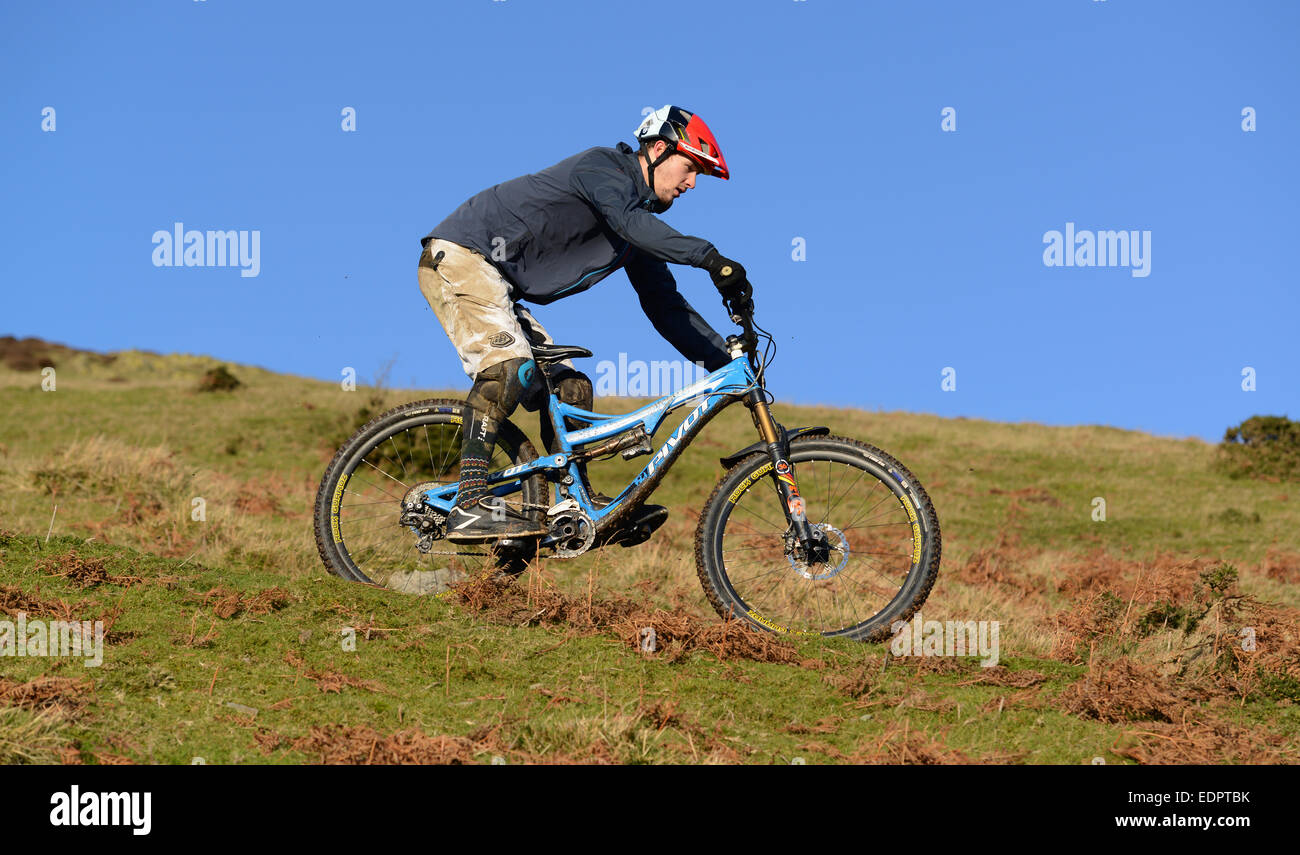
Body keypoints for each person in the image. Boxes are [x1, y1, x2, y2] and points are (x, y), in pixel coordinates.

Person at [418, 105, 751, 543]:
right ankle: (469, 501)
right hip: (462, 255)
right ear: (656, 149)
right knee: (508, 369)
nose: (691, 183)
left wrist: (725, 363)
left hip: (495, 282)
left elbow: (665, 306)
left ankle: (571, 507)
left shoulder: (634, 228)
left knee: (571, 389)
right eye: (689, 167)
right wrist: (710, 258)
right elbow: (631, 223)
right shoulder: (603, 169)